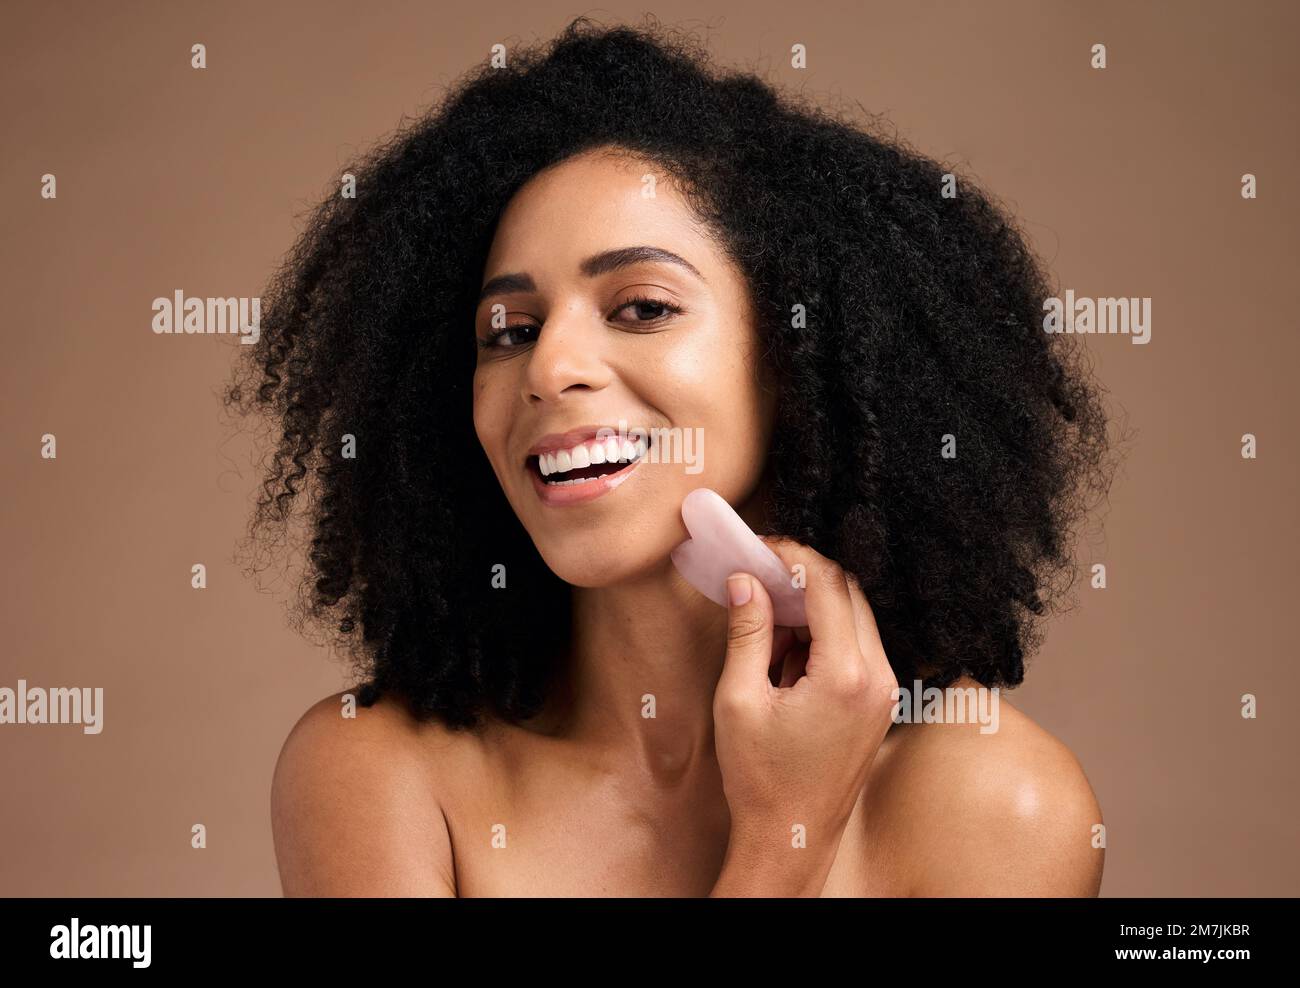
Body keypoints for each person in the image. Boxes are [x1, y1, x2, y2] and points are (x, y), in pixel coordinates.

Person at [226, 17, 1115, 896]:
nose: (549, 367)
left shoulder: (999, 809)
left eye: (642, 307)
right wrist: (782, 844)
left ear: (799, 360)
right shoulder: (376, 773)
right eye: (511, 330)